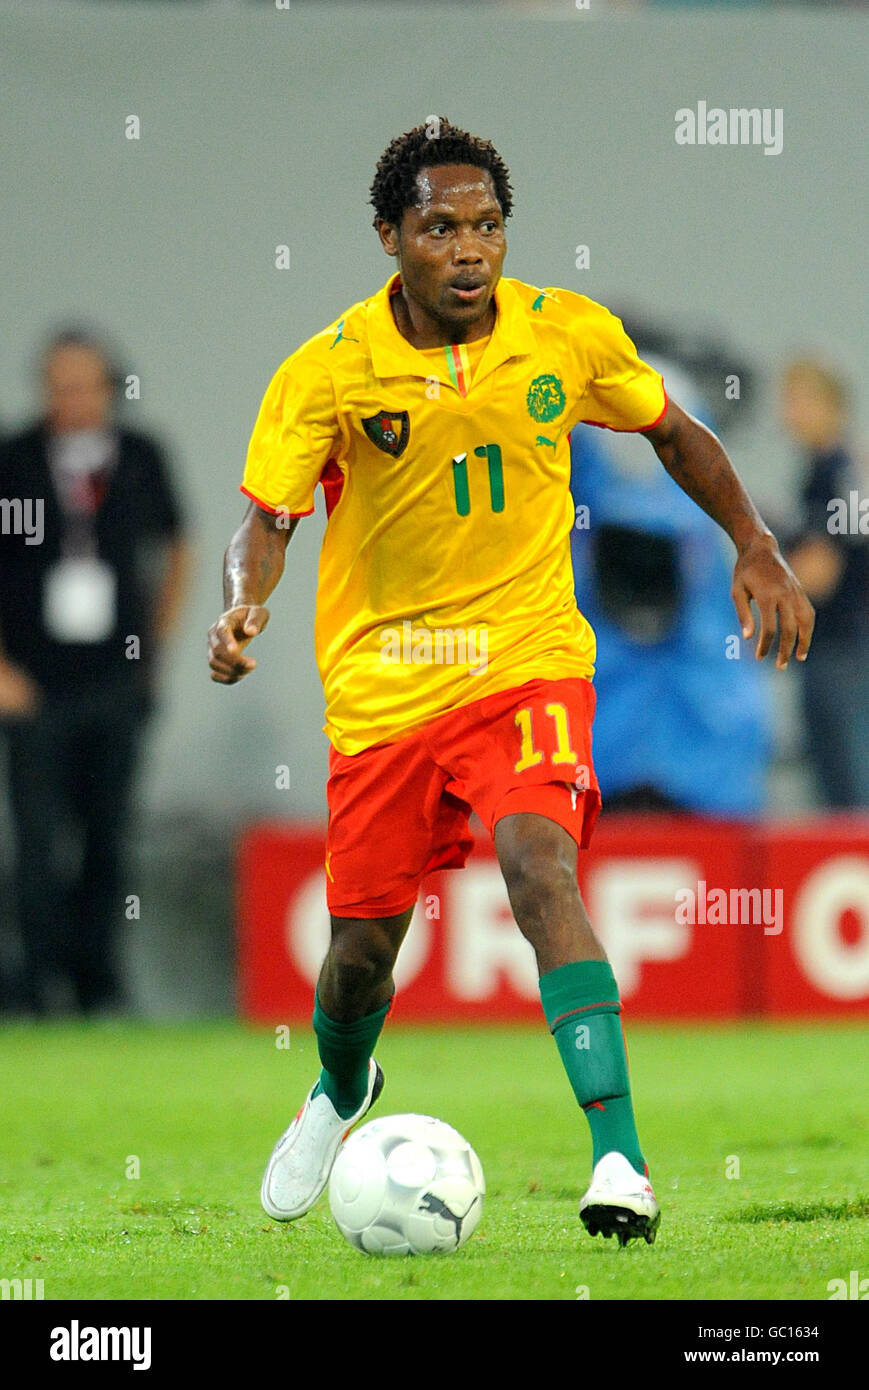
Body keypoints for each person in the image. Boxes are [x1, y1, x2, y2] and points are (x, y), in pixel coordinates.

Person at [208, 120, 813, 1246]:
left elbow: (673, 435)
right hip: (386, 687)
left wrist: (753, 542)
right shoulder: (329, 367)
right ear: (389, 236)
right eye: (440, 227)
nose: (469, 248)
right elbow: (267, 517)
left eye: (486, 225)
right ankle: (341, 1088)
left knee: (540, 868)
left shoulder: (563, 336)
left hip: (526, 660)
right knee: (355, 958)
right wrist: (246, 601)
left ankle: (619, 1157)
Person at [0, 328, 189, 1015]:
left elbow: (177, 546)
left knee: (108, 836)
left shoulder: (140, 459)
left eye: (83, 384)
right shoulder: (14, 460)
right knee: (36, 839)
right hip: (33, 684)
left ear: (110, 387)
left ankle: (98, 983)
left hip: (114, 679)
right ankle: (38, 984)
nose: (69, 398)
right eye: (57, 385)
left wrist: (154, 650)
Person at [780, 358, 869, 808]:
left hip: (841, 651)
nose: (786, 414)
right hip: (842, 649)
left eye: (795, 400)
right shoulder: (842, 468)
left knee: (847, 788)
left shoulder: (834, 472)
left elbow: (821, 572)